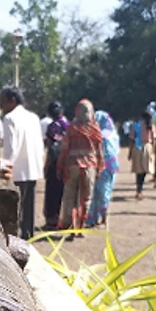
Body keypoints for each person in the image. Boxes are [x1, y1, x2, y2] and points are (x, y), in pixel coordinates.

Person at [0, 87, 45, 240]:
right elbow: (39, 144)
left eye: (3, 101)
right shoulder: (33, 117)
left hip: (17, 169)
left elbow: (12, 148)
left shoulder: (10, 118)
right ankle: (29, 236)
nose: (0, 105)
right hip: (32, 168)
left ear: (12, 100)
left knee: (16, 208)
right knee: (29, 206)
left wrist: (4, 166)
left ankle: (16, 239)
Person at [56, 98, 103, 235]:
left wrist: (60, 166)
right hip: (90, 167)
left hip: (72, 167)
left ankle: (69, 226)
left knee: (69, 197)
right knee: (85, 199)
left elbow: (64, 149)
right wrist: (99, 168)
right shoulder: (95, 129)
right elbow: (100, 151)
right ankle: (80, 228)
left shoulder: (72, 128)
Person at [84, 109, 120, 228]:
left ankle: (95, 218)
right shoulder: (113, 135)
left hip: (100, 166)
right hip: (112, 167)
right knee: (106, 192)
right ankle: (103, 218)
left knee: (98, 193)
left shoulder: (99, 135)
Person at [42, 100, 69, 229]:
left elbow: (49, 147)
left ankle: (51, 220)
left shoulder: (52, 127)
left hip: (54, 164)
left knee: (52, 192)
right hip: (66, 164)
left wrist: (46, 165)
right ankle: (61, 219)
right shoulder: (68, 126)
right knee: (62, 192)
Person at [129, 111, 155, 199]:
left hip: (137, 147)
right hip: (147, 147)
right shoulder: (151, 126)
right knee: (145, 169)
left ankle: (138, 190)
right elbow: (153, 139)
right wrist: (153, 150)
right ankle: (140, 189)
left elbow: (132, 139)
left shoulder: (136, 125)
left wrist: (130, 152)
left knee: (138, 170)